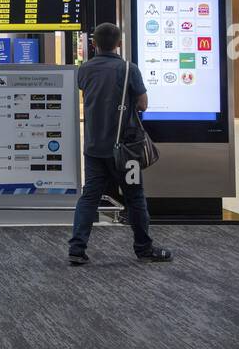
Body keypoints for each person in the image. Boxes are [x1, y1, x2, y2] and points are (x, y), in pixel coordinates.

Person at [67, 22, 172, 266]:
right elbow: (143, 104)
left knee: (89, 197)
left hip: (94, 147)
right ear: (118, 44)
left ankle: (77, 248)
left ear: (93, 43)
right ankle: (144, 248)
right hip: (127, 150)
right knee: (135, 197)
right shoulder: (128, 69)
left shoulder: (84, 70)